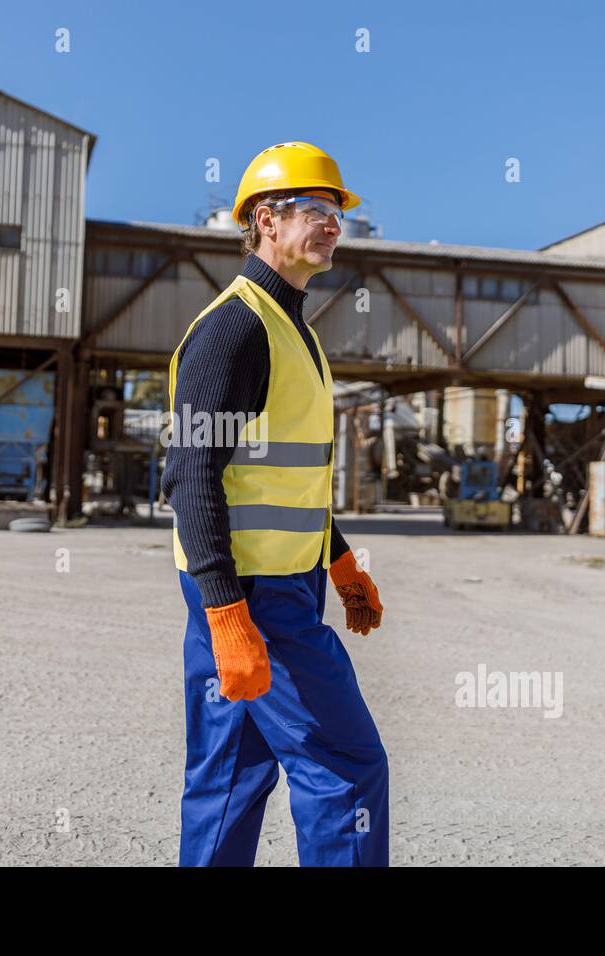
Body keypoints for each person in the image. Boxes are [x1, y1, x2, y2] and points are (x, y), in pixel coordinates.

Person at [161, 142, 390, 866]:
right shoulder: (236, 328)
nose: (334, 225)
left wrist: (342, 561)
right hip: (252, 597)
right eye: (317, 210)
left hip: (270, 584)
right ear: (266, 219)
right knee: (347, 770)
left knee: (229, 779)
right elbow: (191, 476)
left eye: (337, 213)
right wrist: (228, 614)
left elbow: (284, 479)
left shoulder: (296, 332)